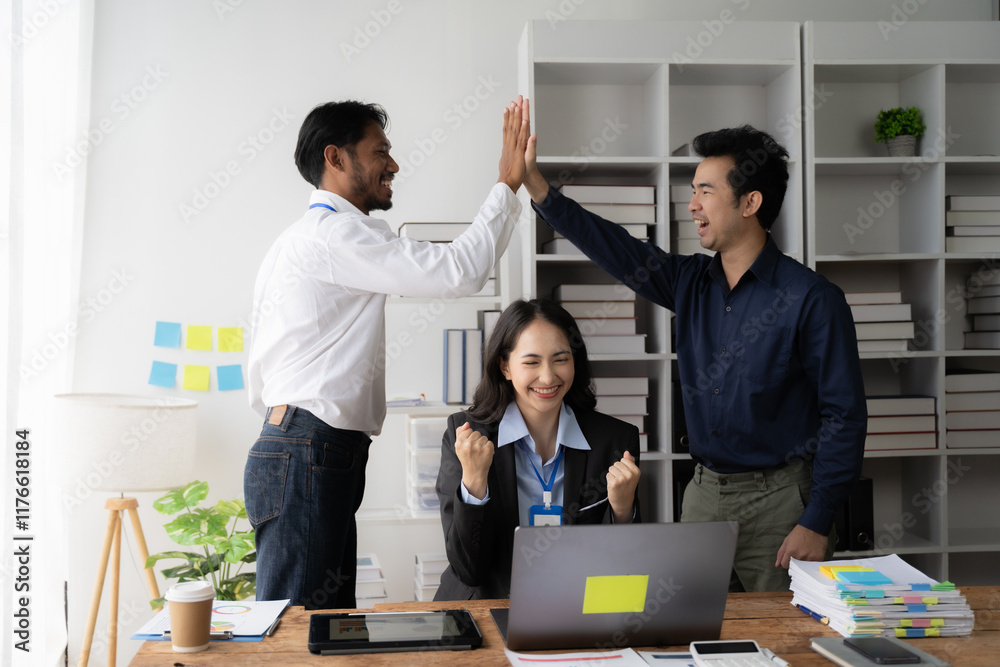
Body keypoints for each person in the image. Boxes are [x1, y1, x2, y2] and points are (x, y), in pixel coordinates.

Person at [520, 125, 867, 592]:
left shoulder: (812, 299)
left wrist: (819, 520)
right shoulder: (690, 281)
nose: (693, 205)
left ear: (750, 203)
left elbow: (844, 417)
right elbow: (618, 250)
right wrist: (541, 190)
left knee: (787, 641)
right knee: (688, 632)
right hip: (703, 494)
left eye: (706, 191)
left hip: (782, 504)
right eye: (693, 191)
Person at [244, 96, 530, 609]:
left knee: (322, 623)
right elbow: (459, 271)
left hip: (305, 445)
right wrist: (506, 184)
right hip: (307, 448)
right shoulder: (333, 236)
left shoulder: (308, 239)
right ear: (335, 157)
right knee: (301, 632)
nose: (393, 164)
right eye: (381, 151)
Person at [434, 298, 642, 601]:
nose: (548, 377)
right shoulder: (466, 436)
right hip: (491, 605)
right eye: (531, 362)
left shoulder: (614, 440)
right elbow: (469, 571)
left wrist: (622, 511)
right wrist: (475, 484)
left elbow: (623, 568)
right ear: (504, 366)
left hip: (575, 605)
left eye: (561, 359)